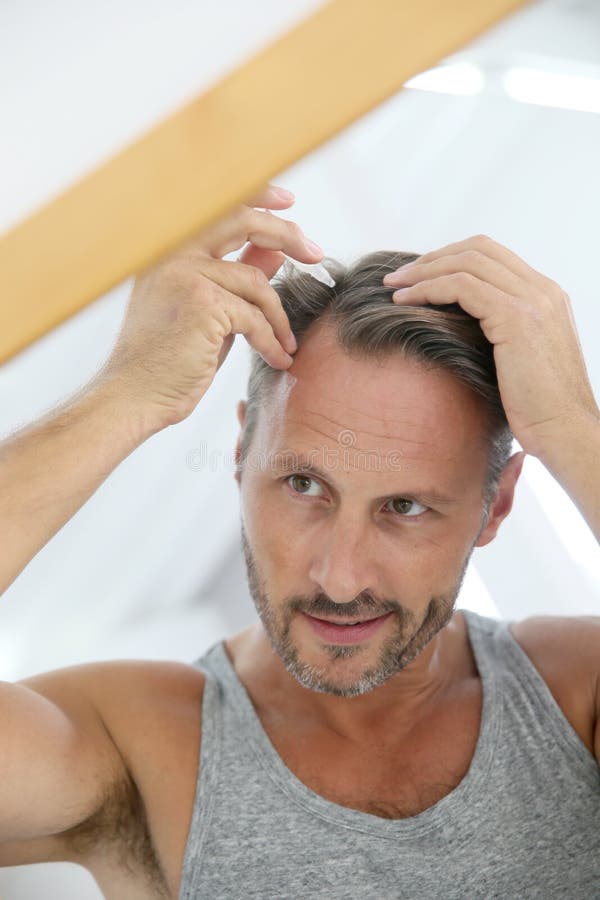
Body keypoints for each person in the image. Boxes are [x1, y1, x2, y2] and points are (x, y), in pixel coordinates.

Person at [0, 183, 598, 900]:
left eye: (404, 507)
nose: (340, 579)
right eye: (304, 486)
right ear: (241, 455)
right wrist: (129, 393)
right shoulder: (140, 744)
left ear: (494, 504)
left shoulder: (575, 696)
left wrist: (572, 427)